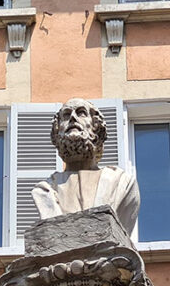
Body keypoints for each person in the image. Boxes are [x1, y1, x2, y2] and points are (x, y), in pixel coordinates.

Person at [32, 98, 140, 234]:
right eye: (66, 115)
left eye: (81, 113)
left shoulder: (120, 182)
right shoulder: (44, 190)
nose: (72, 117)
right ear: (57, 130)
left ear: (95, 125)